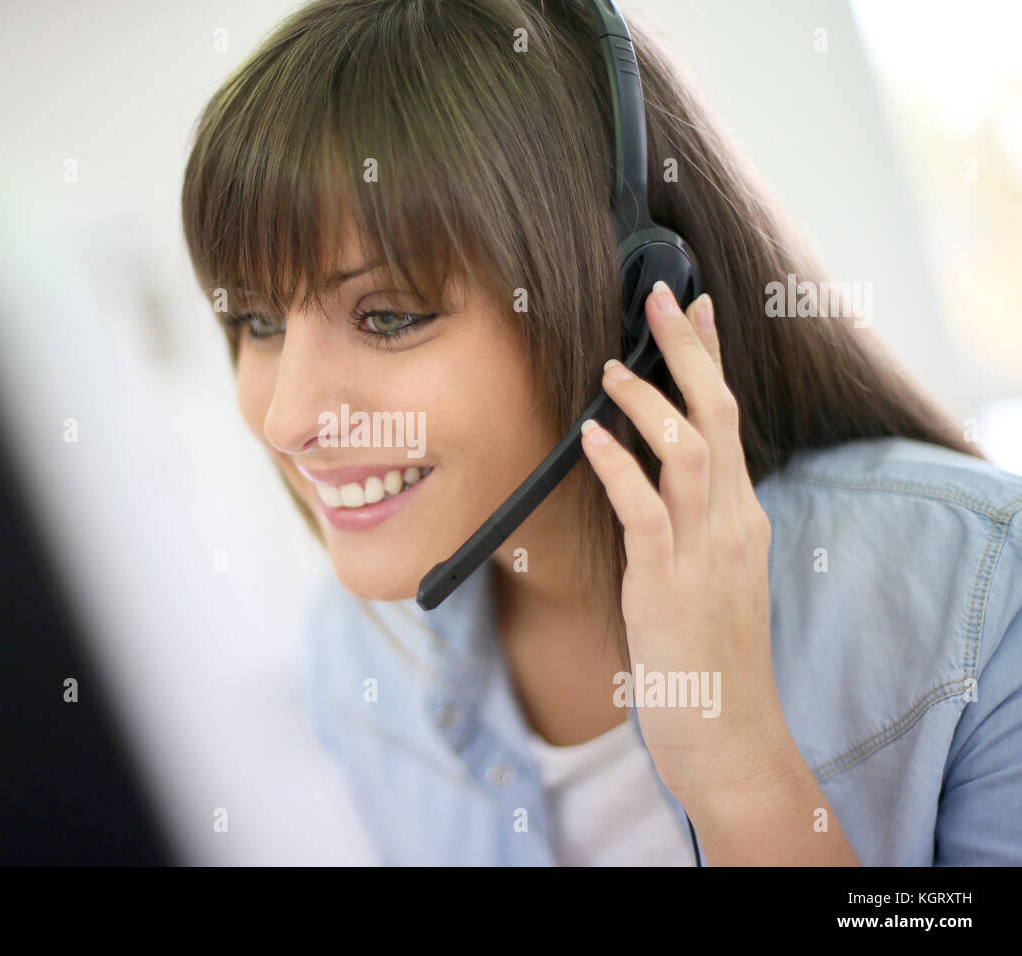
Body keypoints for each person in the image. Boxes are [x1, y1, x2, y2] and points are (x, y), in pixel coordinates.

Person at [179, 0, 1022, 865]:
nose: (287, 420)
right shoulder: (359, 653)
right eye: (255, 321)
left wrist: (738, 768)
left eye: (387, 316)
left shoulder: (982, 600)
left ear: (624, 300)